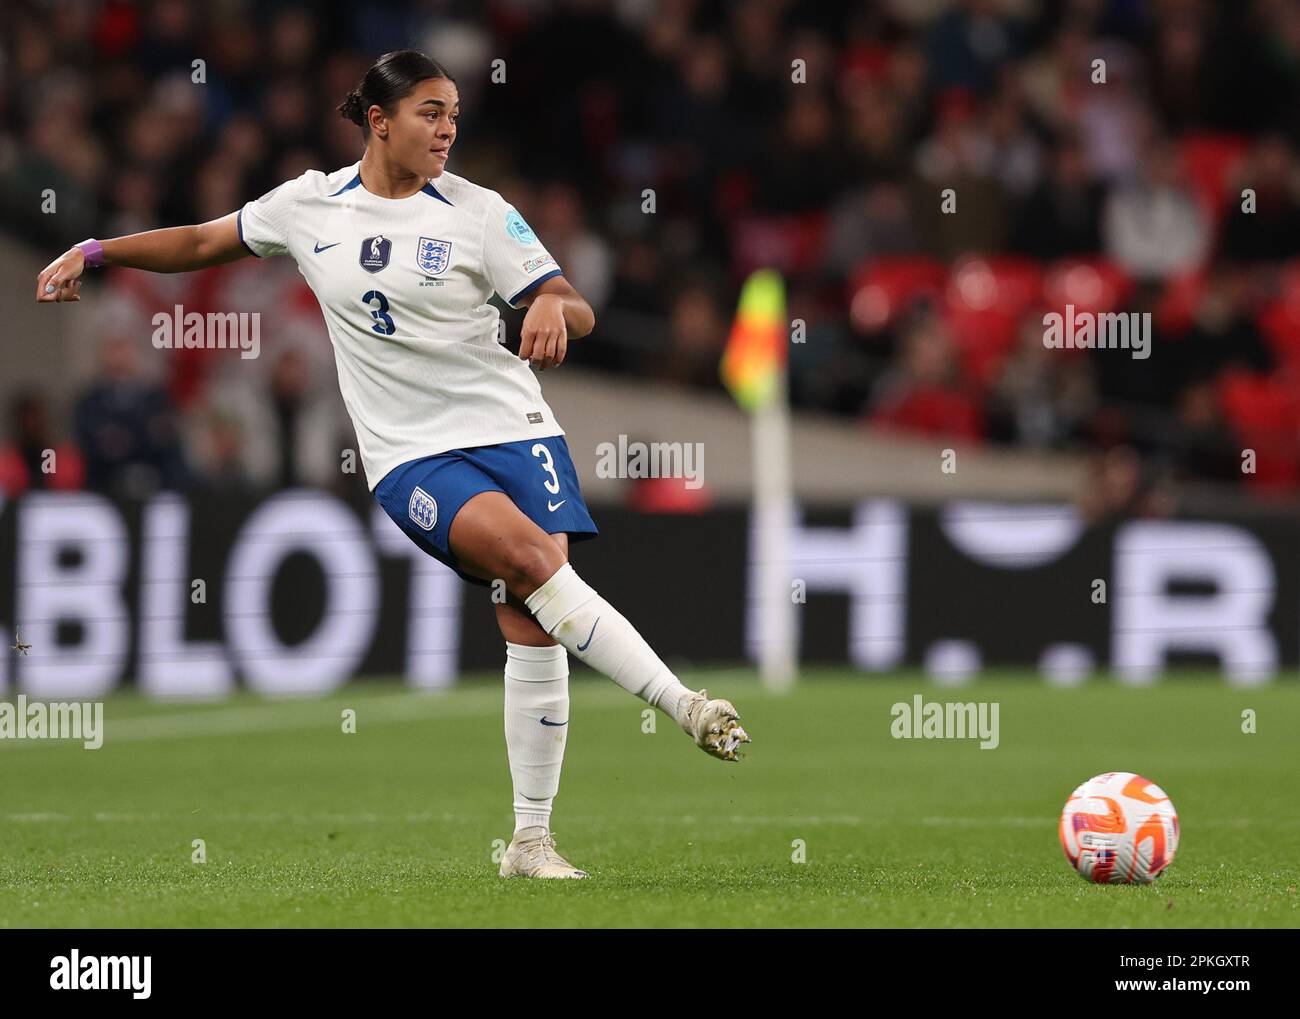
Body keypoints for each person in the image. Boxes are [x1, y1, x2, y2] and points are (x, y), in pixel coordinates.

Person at [35, 49, 749, 880]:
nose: (448, 128)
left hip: (513, 427)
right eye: (430, 113)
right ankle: (684, 703)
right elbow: (201, 239)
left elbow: (571, 302)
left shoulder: (479, 212)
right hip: (408, 453)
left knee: (533, 613)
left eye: (454, 115)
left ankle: (528, 842)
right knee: (529, 561)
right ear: (379, 121)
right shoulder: (310, 204)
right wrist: (96, 251)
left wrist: (553, 305)